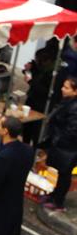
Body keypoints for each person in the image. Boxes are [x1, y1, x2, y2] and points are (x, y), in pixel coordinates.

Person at [43, 76, 77, 211]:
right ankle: (55, 195)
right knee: (61, 172)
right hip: (62, 145)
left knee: (64, 174)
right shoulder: (67, 101)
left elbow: (72, 130)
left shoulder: (74, 107)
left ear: (75, 91)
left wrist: (58, 140)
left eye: (66, 87)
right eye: (63, 86)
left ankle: (58, 202)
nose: (62, 89)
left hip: (68, 148)